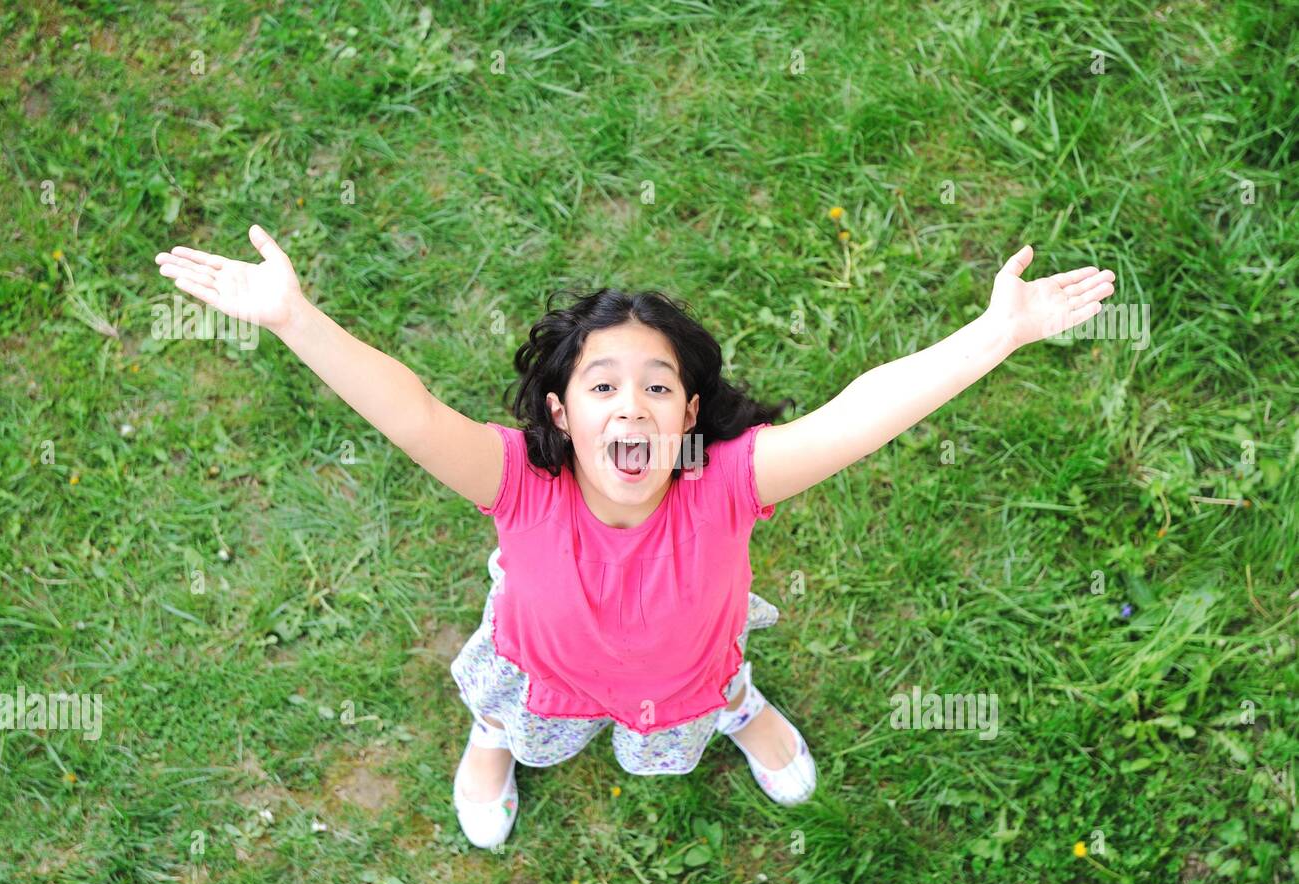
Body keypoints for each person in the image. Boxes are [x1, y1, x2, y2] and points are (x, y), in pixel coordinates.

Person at [155, 227, 1114, 849]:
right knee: (510, 715)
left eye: (657, 386)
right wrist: (293, 316)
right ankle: (494, 741)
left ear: (689, 413)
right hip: (547, 672)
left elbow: (859, 414)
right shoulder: (519, 485)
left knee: (720, 688)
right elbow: (408, 412)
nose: (632, 403)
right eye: (602, 385)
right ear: (563, 414)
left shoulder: (726, 483)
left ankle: (742, 713)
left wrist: (995, 335)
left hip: (689, 670)